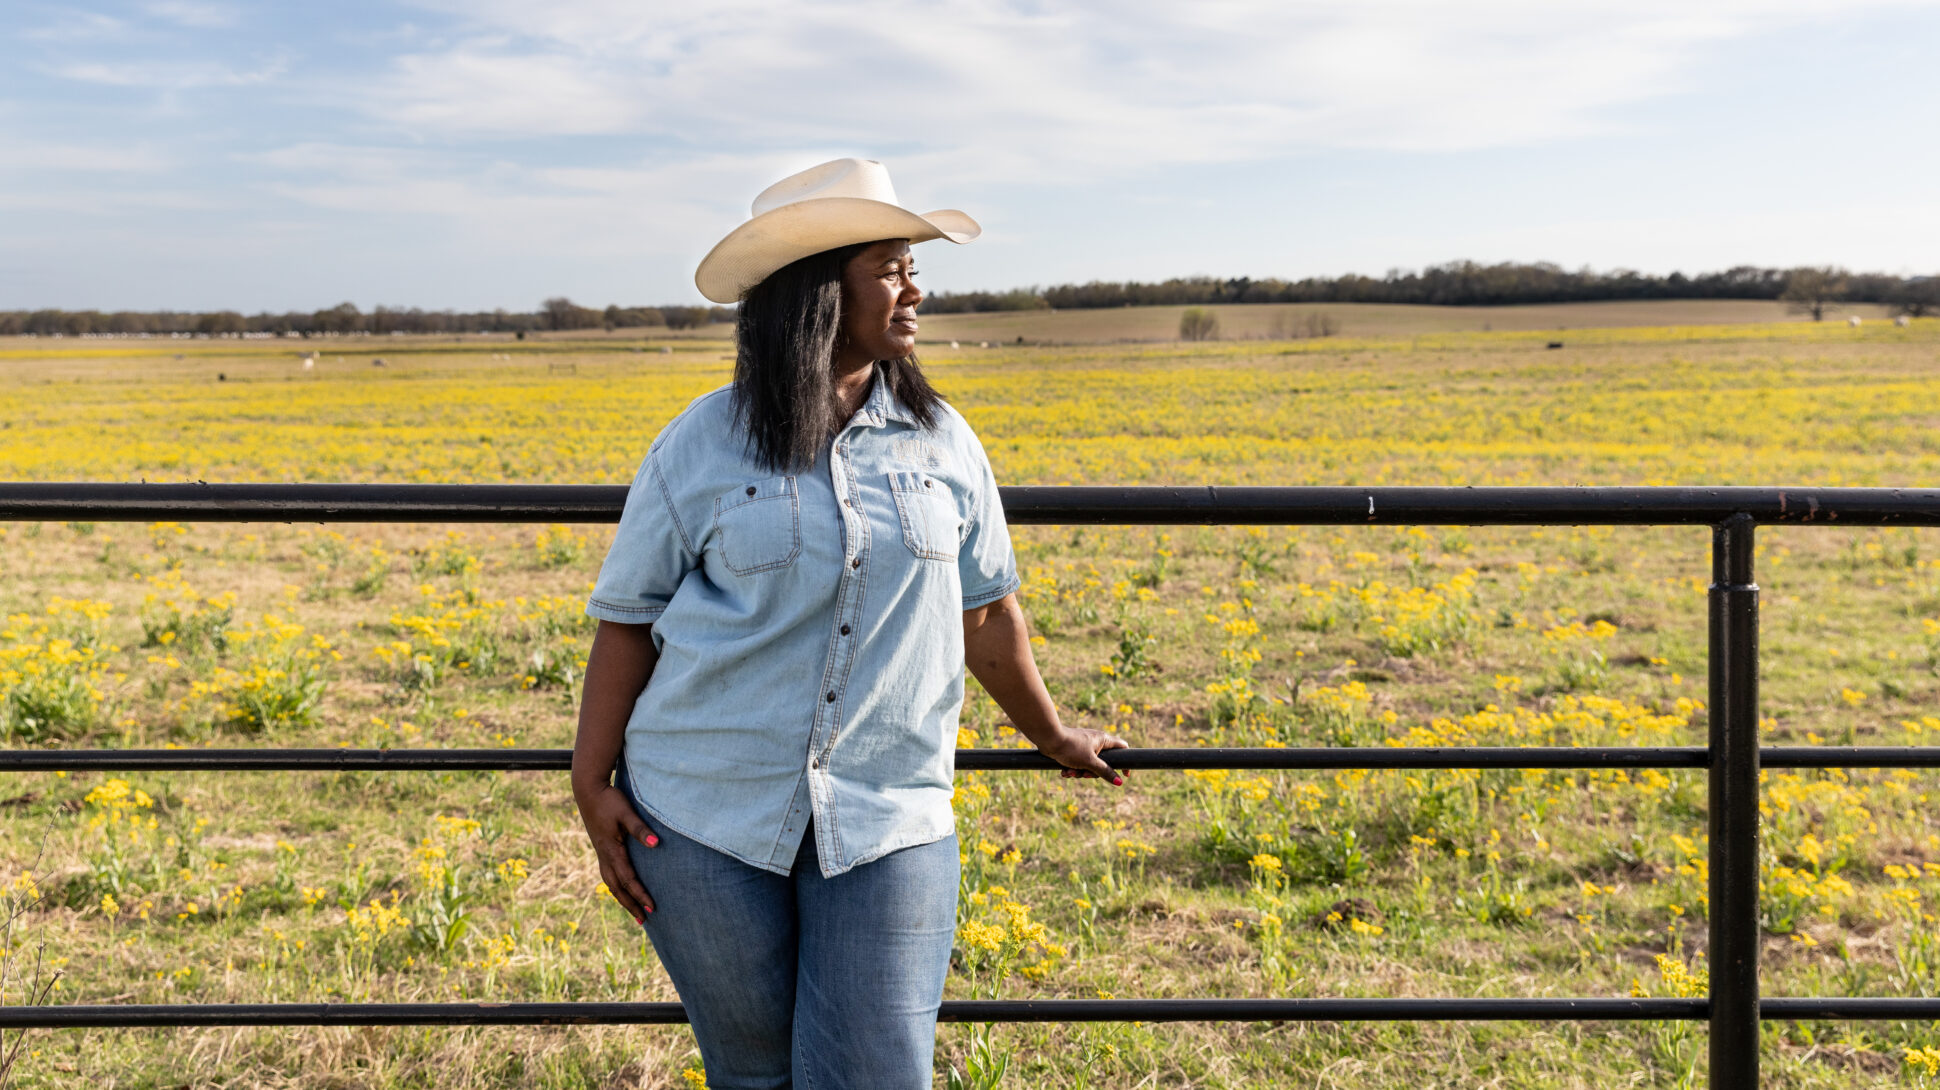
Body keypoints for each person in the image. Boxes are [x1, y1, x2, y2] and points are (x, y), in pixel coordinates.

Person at [571, 158, 1130, 1090]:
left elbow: (986, 611)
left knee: (874, 1072)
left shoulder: (944, 440)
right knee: (752, 1076)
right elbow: (629, 622)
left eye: (915, 268)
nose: (915, 292)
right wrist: (590, 783)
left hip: (888, 813)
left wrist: (1056, 734)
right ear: (814, 293)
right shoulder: (700, 443)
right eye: (891, 268)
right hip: (705, 821)